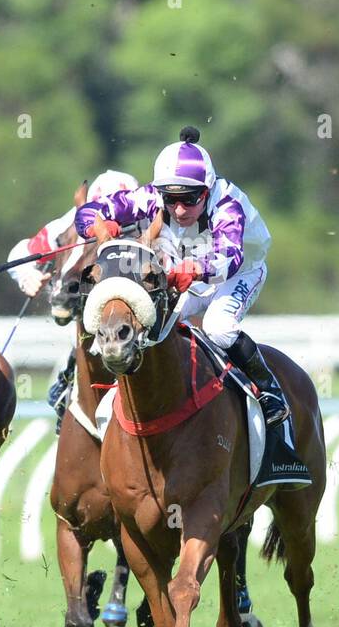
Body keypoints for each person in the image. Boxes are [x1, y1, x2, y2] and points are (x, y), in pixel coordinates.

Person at [74, 127, 287, 427]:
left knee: (219, 328)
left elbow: (230, 256)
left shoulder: (227, 204)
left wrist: (195, 269)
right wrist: (98, 225)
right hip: (186, 271)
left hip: (238, 273)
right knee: (153, 323)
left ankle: (269, 392)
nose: (179, 209)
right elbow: (88, 212)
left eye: (189, 199)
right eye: (170, 199)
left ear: (207, 190)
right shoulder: (151, 197)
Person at [9, 170, 139, 425]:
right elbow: (20, 253)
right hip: (88, 326)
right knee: (63, 392)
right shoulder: (71, 222)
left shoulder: (143, 223)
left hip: (133, 324)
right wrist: (28, 275)